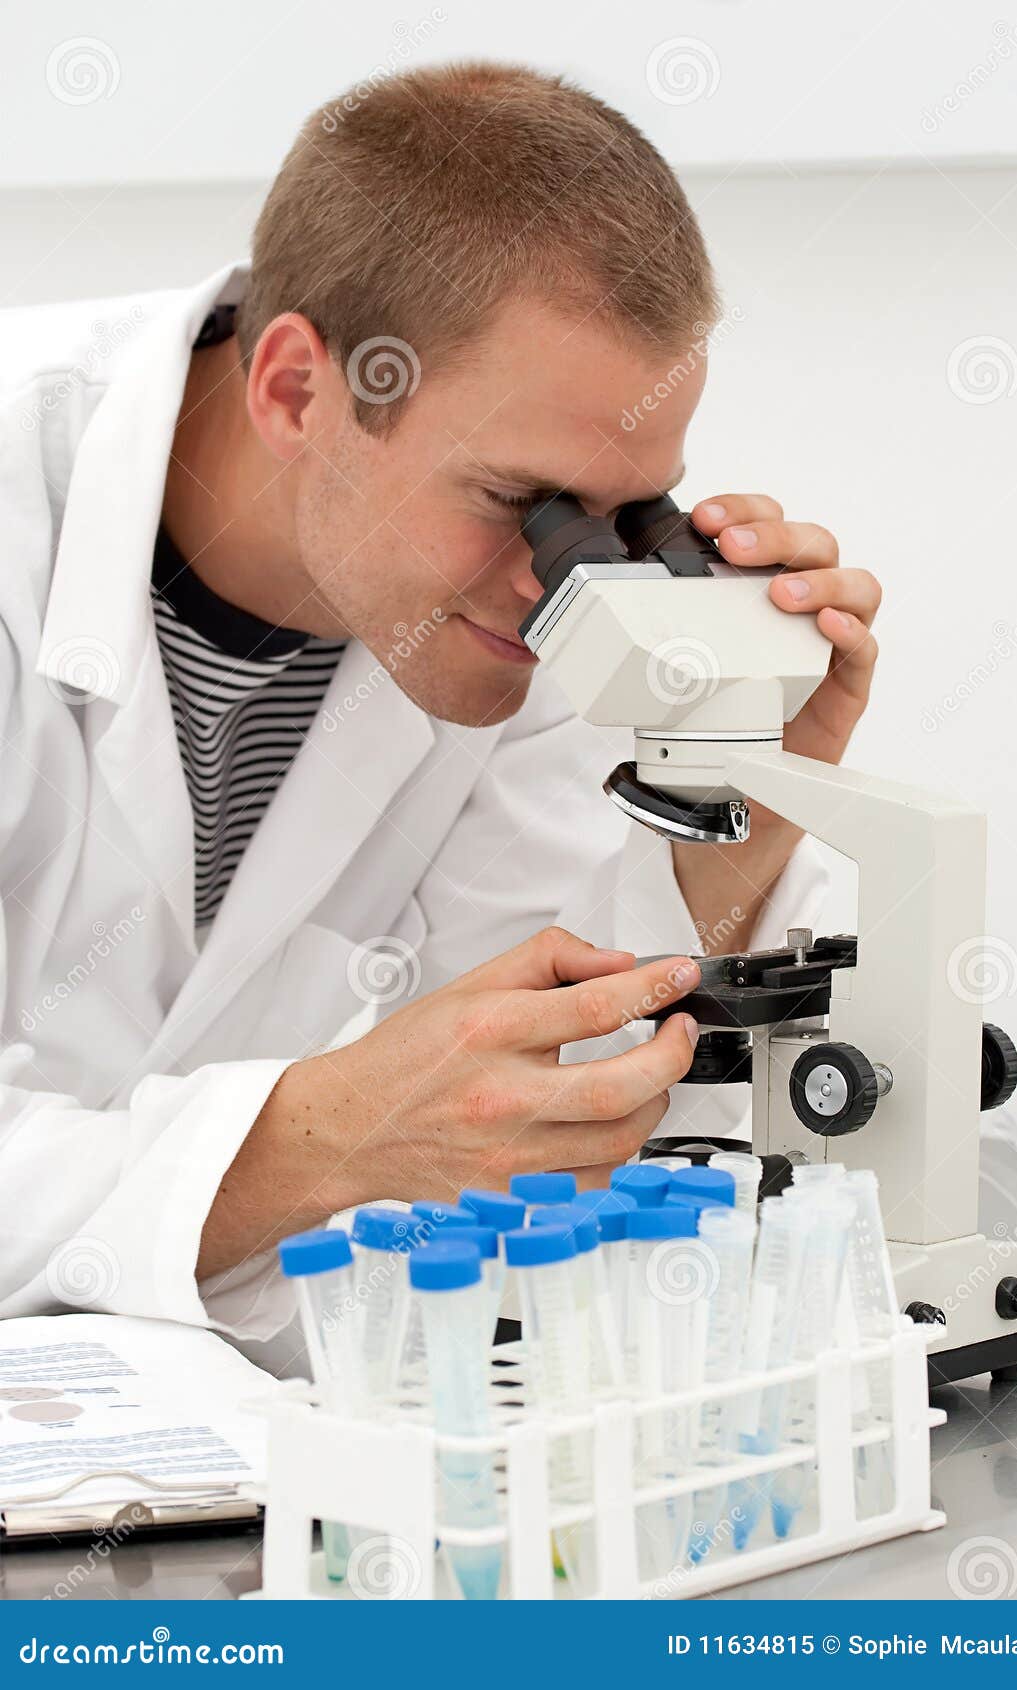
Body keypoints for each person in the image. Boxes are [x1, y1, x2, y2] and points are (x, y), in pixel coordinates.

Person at [0, 62, 880, 1352]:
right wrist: (303, 1146)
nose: (563, 579)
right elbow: (363, 1144)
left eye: (617, 513)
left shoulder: (504, 614)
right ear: (299, 389)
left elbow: (526, 1141)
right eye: (512, 498)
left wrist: (737, 813)